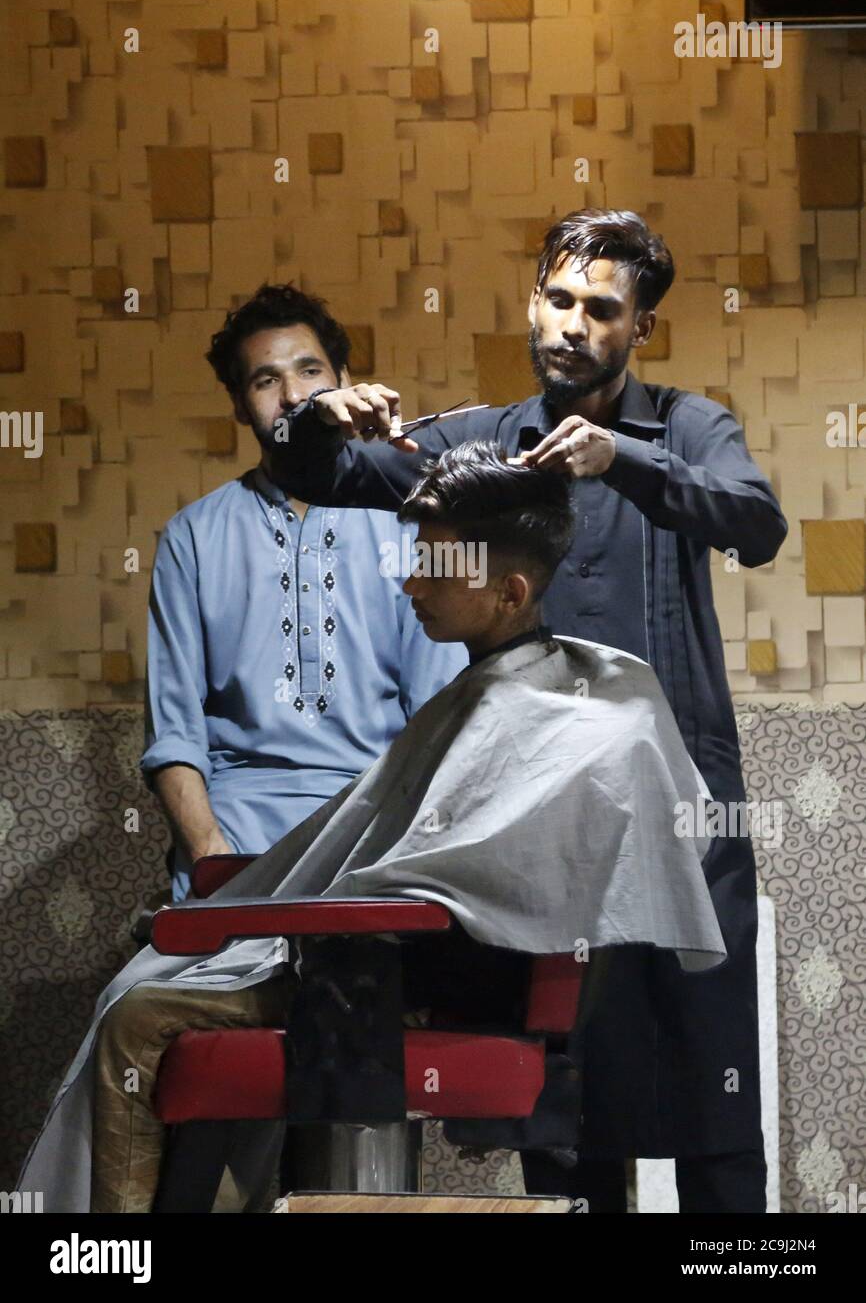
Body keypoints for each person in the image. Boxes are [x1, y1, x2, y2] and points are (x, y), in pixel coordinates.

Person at [17, 442, 726, 1214]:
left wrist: (252, 916)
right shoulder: (530, 691)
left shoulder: (550, 716)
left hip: (405, 982)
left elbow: (444, 880)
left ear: (509, 591)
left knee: (134, 1018)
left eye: (436, 567)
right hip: (395, 962)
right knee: (156, 979)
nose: (410, 581)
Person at [267, 209, 789, 1213]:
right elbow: (323, 475)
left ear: (639, 328)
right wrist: (315, 416)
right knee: (569, 1109)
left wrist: (621, 461)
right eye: (557, 299)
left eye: (601, 309)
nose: (571, 326)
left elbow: (756, 523)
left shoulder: (684, 427)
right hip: (546, 825)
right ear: (531, 299)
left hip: (681, 815)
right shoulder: (475, 445)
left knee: (711, 1100)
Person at [141, 283, 465, 899]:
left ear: (343, 380)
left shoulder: (409, 522)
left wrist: (410, 851)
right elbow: (173, 733)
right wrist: (212, 857)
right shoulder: (193, 537)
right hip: (236, 835)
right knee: (138, 999)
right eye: (265, 381)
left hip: (377, 829)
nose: (292, 395)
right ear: (240, 404)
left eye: (310, 371)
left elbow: (439, 715)